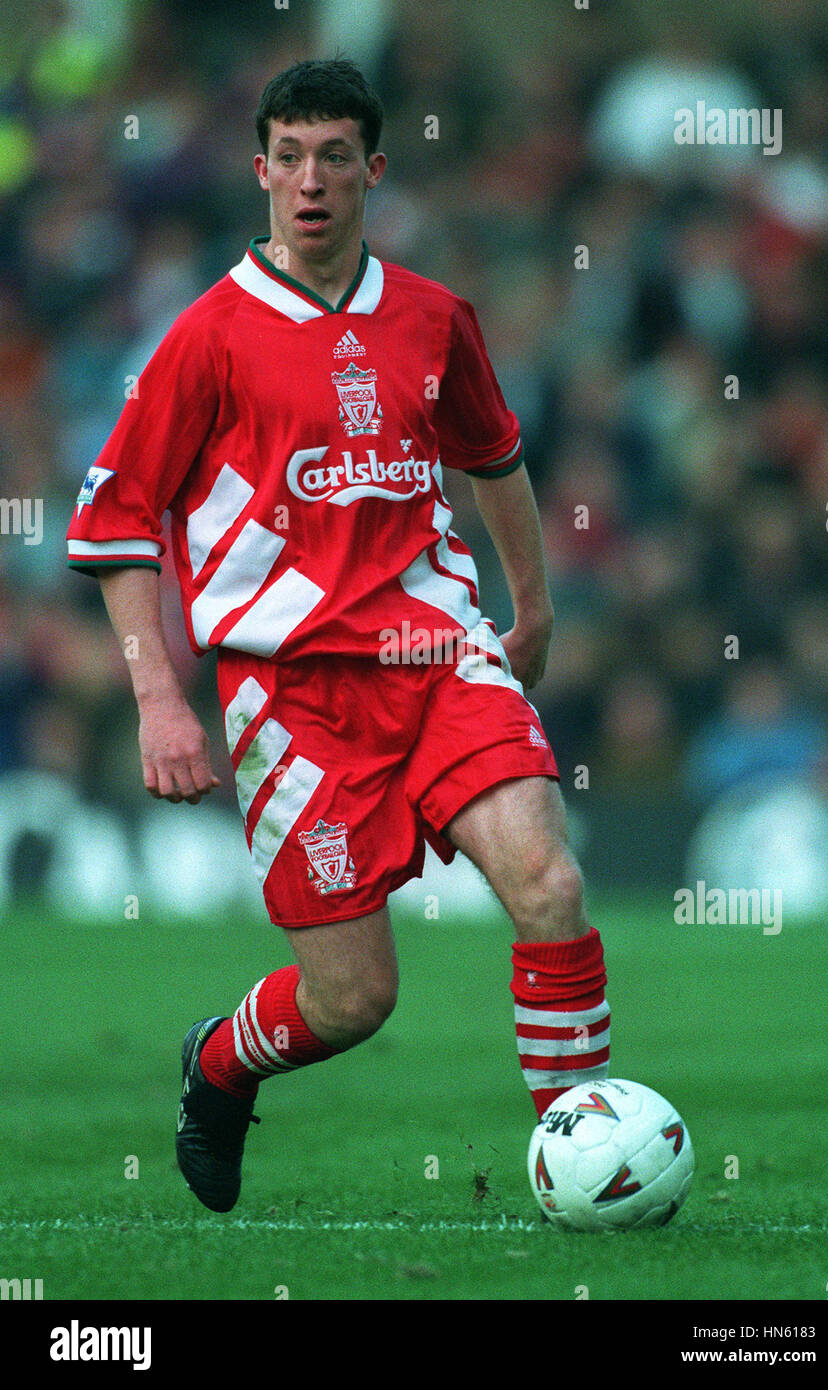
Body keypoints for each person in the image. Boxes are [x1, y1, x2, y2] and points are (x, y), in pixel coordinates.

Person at [66, 59, 610, 1212]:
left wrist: (532, 607)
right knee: (353, 1002)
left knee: (549, 884)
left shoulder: (431, 315)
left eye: (334, 155)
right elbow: (116, 523)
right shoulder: (205, 337)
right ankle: (216, 1065)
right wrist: (164, 701)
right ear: (260, 168)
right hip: (292, 696)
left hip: (438, 651)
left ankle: (585, 1159)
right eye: (290, 156)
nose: (311, 179)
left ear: (374, 167)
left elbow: (492, 453)